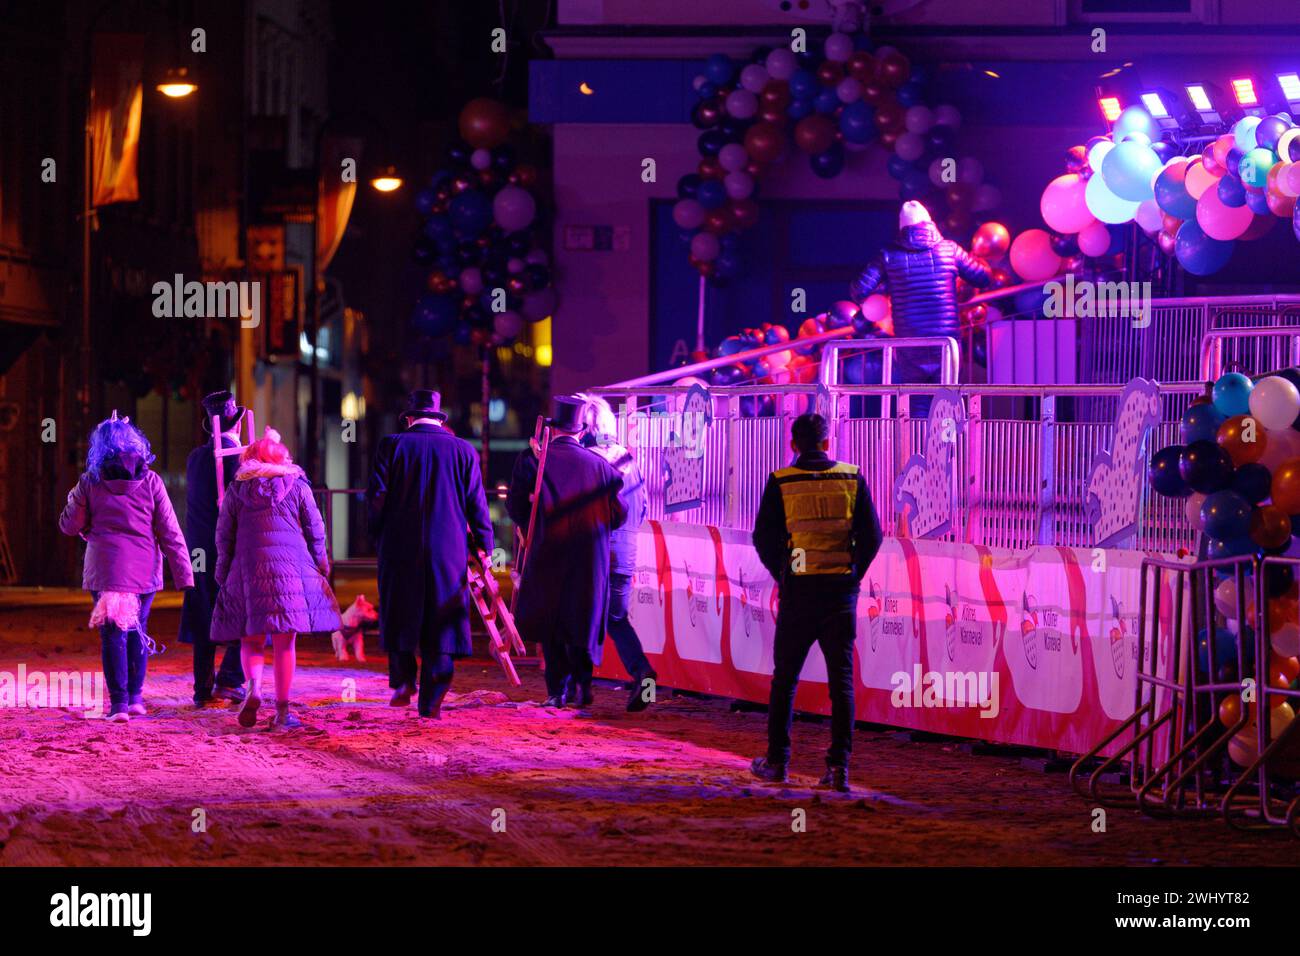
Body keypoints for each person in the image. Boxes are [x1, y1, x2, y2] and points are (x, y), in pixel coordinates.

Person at [749, 413, 882, 792]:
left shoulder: (781, 481)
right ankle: (838, 768)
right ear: (827, 442)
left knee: (785, 681)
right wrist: (851, 574)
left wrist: (787, 573)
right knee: (841, 683)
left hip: (799, 594)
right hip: (839, 594)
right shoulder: (851, 478)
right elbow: (872, 536)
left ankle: (777, 763)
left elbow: (763, 537)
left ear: (794, 444)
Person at [366, 389, 494, 719]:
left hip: (399, 546)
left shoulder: (391, 445)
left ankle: (404, 680)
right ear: (439, 419)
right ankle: (432, 701)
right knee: (442, 621)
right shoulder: (463, 451)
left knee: (400, 613)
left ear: (408, 419)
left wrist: (378, 536)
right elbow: (477, 504)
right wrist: (485, 545)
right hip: (447, 549)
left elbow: (377, 498)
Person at [58, 413, 194, 722]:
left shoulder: (90, 482)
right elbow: (170, 531)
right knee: (137, 630)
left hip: (105, 569)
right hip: (143, 570)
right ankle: (135, 698)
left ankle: (118, 704)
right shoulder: (151, 482)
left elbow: (69, 526)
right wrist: (185, 575)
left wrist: (74, 504)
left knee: (112, 635)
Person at [210, 427, 341, 729]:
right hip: (290, 572)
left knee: (251, 637)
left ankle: (254, 688)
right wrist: (322, 562)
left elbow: (223, 536)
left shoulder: (237, 489)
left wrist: (222, 571)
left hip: (247, 571)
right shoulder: (297, 486)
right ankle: (282, 713)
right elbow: (315, 529)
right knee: (285, 643)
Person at [507, 396, 626, 709]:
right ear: (581, 431)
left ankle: (557, 690)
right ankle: (582, 686)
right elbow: (619, 514)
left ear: (552, 428)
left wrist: (529, 524)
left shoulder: (534, 460)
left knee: (553, 619)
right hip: (590, 557)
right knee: (582, 618)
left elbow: (516, 505)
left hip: (549, 550)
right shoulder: (601, 467)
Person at [850, 200, 990, 412]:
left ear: (902, 228)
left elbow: (859, 290)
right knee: (948, 403)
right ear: (930, 223)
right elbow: (982, 278)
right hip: (946, 341)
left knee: (917, 405)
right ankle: (949, 445)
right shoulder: (949, 249)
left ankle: (917, 445)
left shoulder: (888, 255)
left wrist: (889, 286)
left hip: (910, 342)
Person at [575, 393, 657, 712]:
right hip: (626, 550)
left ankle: (576, 688)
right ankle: (643, 674)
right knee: (617, 619)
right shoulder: (627, 457)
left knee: (584, 618)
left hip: (598, 550)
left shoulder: (588, 459)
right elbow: (643, 505)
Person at [178, 390, 247, 707]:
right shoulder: (244, 460)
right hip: (231, 548)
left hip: (199, 551)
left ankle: (202, 689)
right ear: (238, 423)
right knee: (245, 610)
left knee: (203, 608)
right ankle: (231, 680)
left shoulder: (195, 458)